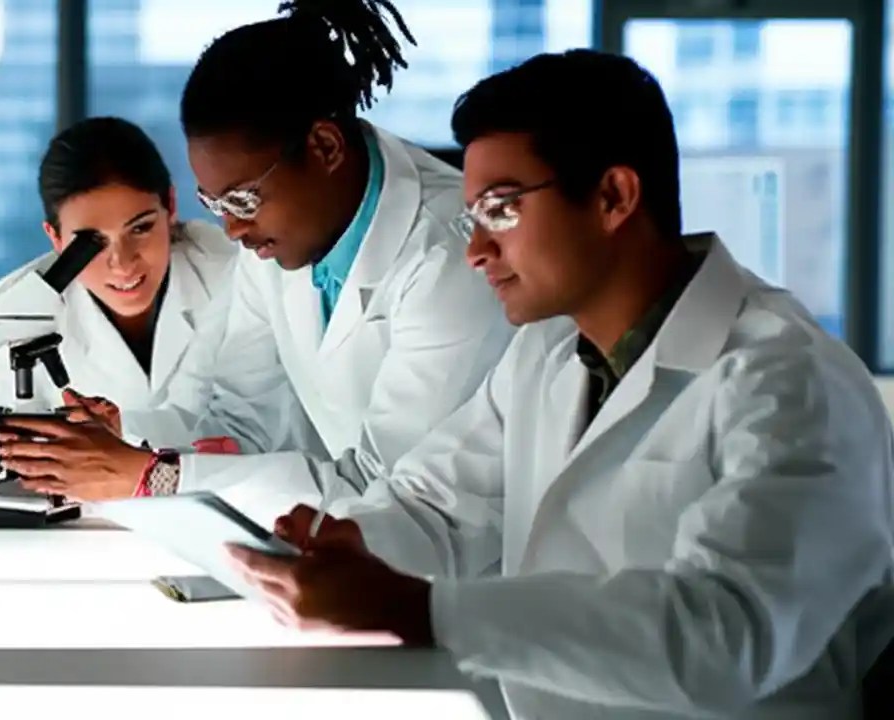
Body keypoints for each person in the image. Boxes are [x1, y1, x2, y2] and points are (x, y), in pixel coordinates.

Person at [229, 50, 894, 718]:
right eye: (473, 218)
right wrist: (350, 542)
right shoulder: (545, 354)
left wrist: (420, 609)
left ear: (614, 197)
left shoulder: (791, 381)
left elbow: (726, 634)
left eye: (502, 208)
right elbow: (438, 504)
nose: (476, 251)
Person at [0, 0, 512, 512]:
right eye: (213, 204)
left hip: (469, 575)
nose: (232, 228)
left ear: (325, 147)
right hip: (362, 549)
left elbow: (387, 485)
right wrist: (128, 436)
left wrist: (154, 477)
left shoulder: (449, 255)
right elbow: (244, 422)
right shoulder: (279, 242)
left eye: (242, 199)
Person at [0, 116, 235, 413]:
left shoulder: (231, 273)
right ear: (56, 238)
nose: (122, 263)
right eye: (90, 243)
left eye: (141, 228)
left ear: (171, 206)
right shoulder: (16, 312)